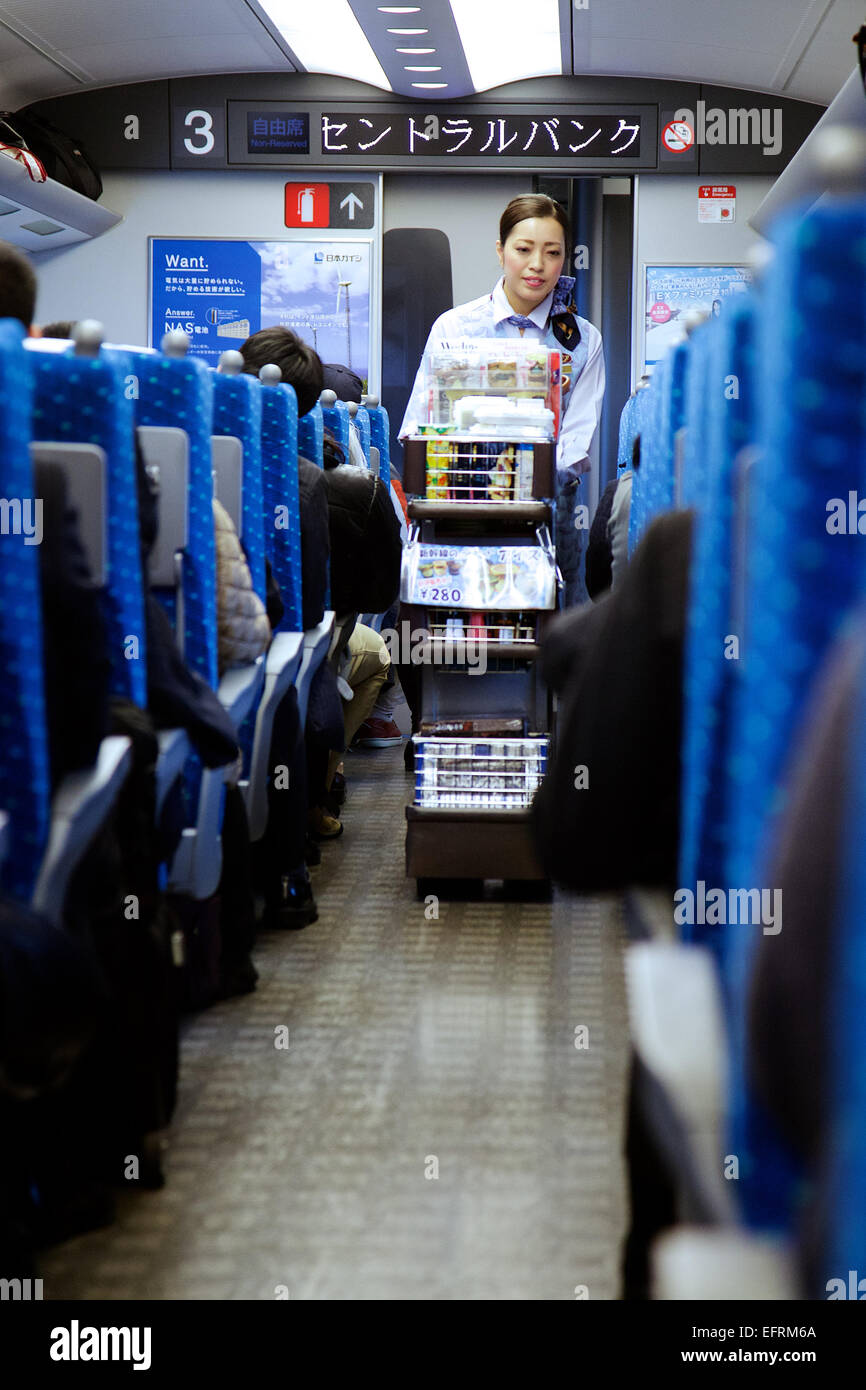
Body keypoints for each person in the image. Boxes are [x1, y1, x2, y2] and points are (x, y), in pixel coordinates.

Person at [399, 194, 605, 607]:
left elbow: (578, 438)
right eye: (524, 250)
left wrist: (531, 485)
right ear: (501, 251)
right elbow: (417, 424)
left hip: (548, 517)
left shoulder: (582, 341)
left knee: (550, 632)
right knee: (459, 627)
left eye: (553, 253)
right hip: (460, 508)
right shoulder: (454, 327)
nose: (537, 265)